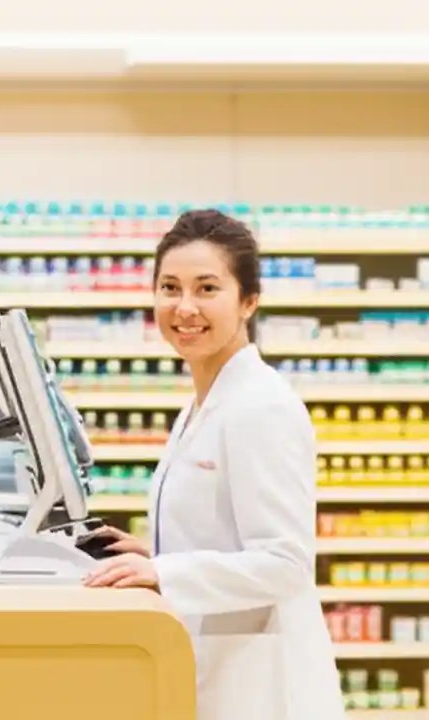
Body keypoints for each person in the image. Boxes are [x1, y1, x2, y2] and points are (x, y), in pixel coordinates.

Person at [82, 209, 345, 720]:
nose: (184, 308)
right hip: (217, 671)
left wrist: (164, 571)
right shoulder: (204, 402)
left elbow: (286, 563)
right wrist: (152, 555)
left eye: (207, 289)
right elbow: (225, 534)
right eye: (169, 288)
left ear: (248, 301)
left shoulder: (260, 405)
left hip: (264, 691)